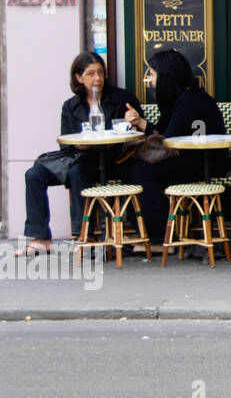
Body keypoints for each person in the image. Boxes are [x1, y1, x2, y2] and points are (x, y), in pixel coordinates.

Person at [18, 52, 142, 255]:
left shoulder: (121, 99)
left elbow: (138, 135)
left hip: (114, 160)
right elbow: (66, 144)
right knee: (33, 175)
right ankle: (40, 237)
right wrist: (79, 146)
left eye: (100, 72)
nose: (97, 79)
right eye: (91, 73)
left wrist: (133, 120)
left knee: (78, 173)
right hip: (81, 157)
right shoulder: (71, 106)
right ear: (78, 77)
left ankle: (84, 235)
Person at [122, 49, 225, 246]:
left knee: (141, 172)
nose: (150, 81)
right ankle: (149, 230)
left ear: (165, 75)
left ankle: (162, 236)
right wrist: (141, 122)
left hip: (203, 164)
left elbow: (166, 141)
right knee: (130, 168)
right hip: (190, 159)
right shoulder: (183, 97)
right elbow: (164, 132)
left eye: (152, 74)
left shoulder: (191, 101)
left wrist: (144, 126)